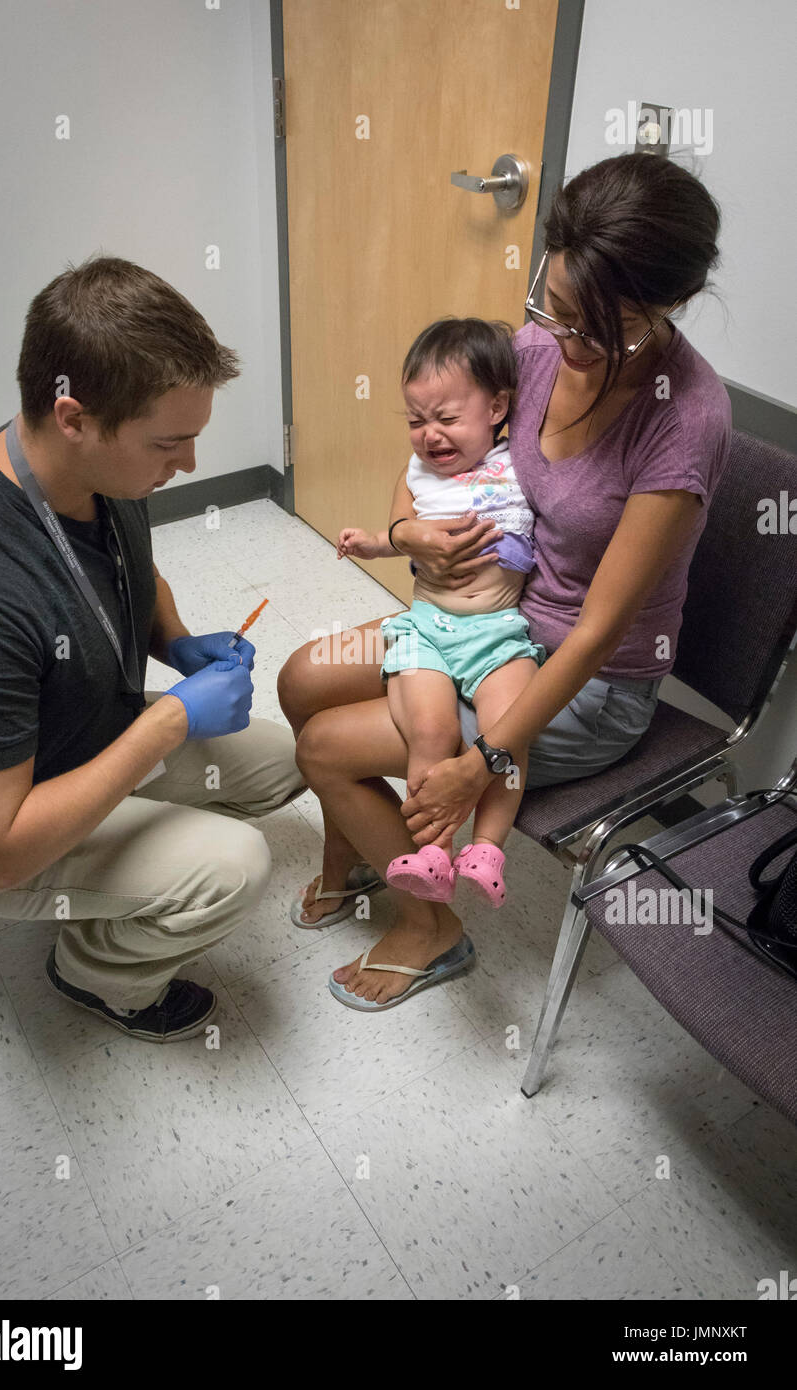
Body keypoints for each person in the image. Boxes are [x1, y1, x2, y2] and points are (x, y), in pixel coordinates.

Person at [279, 152, 732, 1011]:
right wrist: (410, 533)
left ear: (664, 307)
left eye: (595, 329)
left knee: (323, 747)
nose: (561, 343)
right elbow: (431, 451)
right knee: (303, 675)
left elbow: (597, 630)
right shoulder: (535, 346)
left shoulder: (686, 421)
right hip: (481, 617)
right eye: (550, 306)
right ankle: (357, 865)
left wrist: (486, 759)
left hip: (582, 679)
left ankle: (430, 931)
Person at [0, 255, 304, 1042]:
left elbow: (137, 570)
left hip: (83, 739)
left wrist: (176, 644)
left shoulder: (98, 475)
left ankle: (116, 861)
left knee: (283, 761)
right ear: (74, 417)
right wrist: (169, 723)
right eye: (171, 444)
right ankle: (97, 976)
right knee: (234, 864)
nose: (190, 466)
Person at [336, 317, 545, 909]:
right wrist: (375, 540)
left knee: (508, 732)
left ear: (498, 407)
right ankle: (432, 852)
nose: (430, 435)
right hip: (428, 628)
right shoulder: (416, 474)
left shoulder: (521, 462)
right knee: (432, 731)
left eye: (447, 418)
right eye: (415, 420)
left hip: (501, 633)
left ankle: (488, 850)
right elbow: (394, 534)